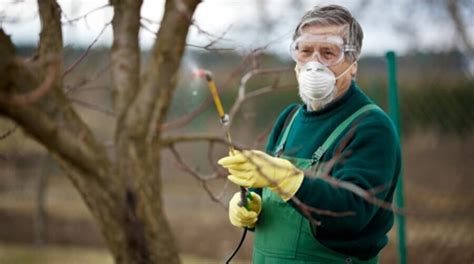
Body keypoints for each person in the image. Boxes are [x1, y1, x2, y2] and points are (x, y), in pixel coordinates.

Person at [218, 4, 401, 264]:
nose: (314, 64)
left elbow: (352, 212)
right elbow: (264, 189)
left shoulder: (371, 126)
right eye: (305, 51)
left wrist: (289, 180)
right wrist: (249, 204)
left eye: (328, 53)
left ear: (353, 63)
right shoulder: (290, 118)